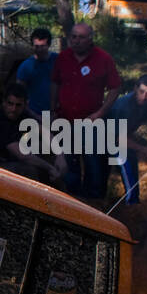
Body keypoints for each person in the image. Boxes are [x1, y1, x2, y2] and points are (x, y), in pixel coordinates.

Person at [50, 23, 121, 197]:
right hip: (65, 120)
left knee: (93, 164)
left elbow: (115, 88)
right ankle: (72, 200)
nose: (76, 41)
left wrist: (100, 113)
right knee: (69, 164)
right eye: (73, 36)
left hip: (90, 122)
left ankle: (93, 201)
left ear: (90, 39)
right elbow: (55, 83)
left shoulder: (103, 59)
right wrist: (52, 109)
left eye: (81, 37)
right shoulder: (63, 57)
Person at [0, 82, 67, 184]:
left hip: (9, 161)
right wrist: (50, 168)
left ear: (25, 105)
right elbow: (22, 155)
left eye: (18, 105)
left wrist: (60, 155)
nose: (13, 109)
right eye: (10, 104)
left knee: (47, 153)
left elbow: (44, 132)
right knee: (29, 170)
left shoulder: (24, 114)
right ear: (4, 103)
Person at [106, 72, 147, 205]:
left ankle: (132, 201)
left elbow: (129, 131)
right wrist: (143, 149)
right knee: (126, 159)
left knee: (130, 156)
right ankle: (132, 202)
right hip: (100, 139)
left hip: (118, 138)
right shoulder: (123, 106)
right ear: (135, 88)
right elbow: (118, 139)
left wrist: (137, 147)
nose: (144, 97)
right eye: (141, 92)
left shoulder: (146, 105)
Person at [15, 28, 56, 119]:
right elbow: (18, 94)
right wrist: (34, 115)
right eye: (36, 46)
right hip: (34, 114)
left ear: (49, 45)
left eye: (43, 46)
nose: (39, 50)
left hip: (57, 113)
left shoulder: (58, 61)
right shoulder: (25, 67)